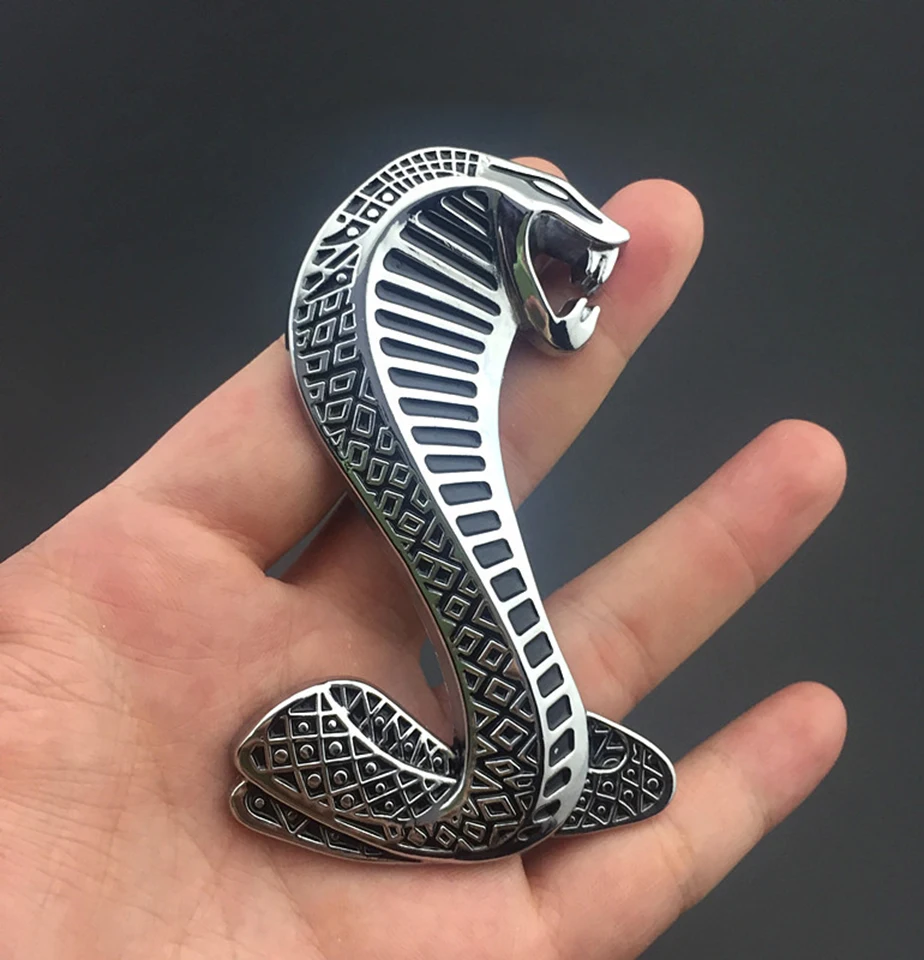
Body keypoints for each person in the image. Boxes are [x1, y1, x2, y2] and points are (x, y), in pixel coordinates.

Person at [0, 160, 847, 958]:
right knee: (583, 763)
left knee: (608, 769)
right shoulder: (402, 260)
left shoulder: (469, 243)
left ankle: (395, 785)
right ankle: (452, 793)